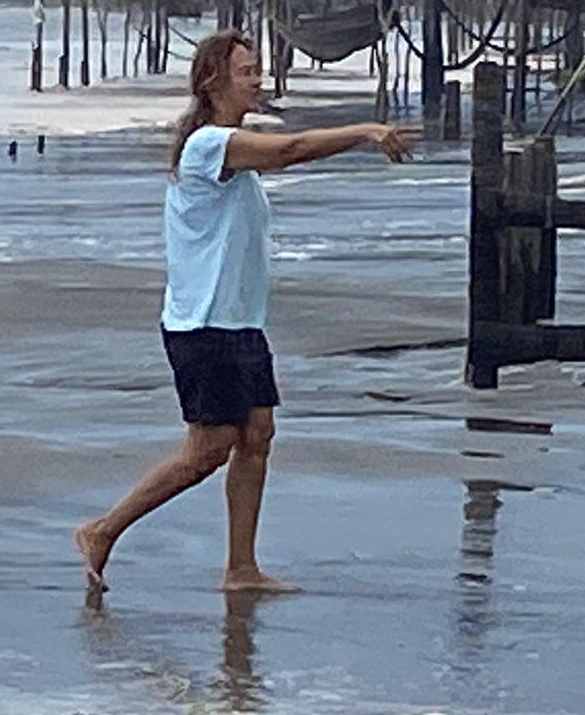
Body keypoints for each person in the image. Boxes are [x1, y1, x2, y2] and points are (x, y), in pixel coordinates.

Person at [74, 29, 415, 595]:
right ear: (213, 81)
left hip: (239, 323)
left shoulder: (230, 143)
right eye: (246, 72)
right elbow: (290, 151)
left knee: (257, 434)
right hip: (202, 325)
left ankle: (241, 569)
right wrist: (365, 130)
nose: (258, 80)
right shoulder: (209, 145)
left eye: (258, 70)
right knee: (206, 450)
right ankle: (102, 530)